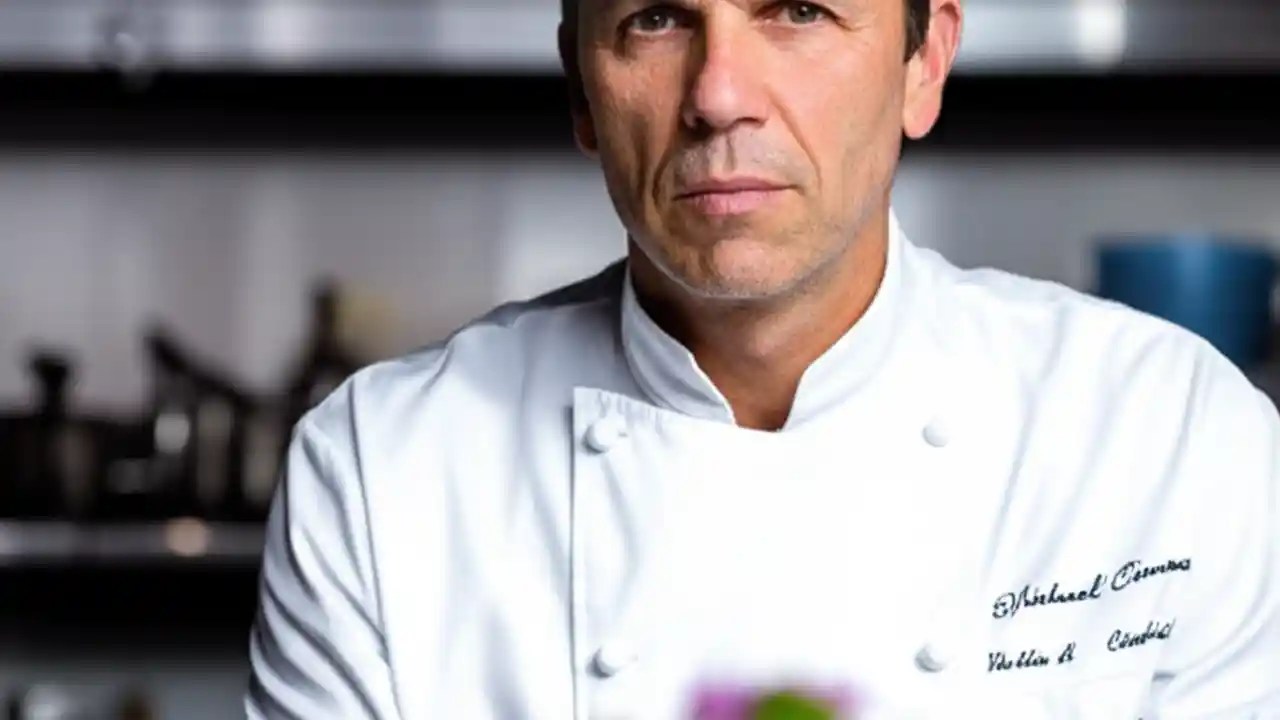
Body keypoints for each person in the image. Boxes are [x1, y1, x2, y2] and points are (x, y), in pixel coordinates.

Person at [245, 0, 1280, 717]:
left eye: (795, 10)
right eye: (654, 18)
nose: (718, 95)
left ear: (925, 62)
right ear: (578, 88)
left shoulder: (1173, 438)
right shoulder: (380, 473)